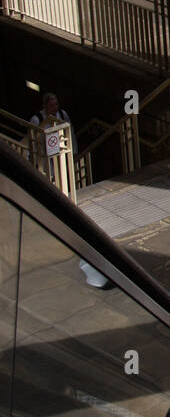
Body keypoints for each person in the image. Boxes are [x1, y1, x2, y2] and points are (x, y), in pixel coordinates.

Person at [31, 91, 113, 291]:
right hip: (47, 161)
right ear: (45, 105)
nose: (55, 107)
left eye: (56, 103)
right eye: (52, 104)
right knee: (50, 181)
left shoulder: (63, 116)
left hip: (62, 157)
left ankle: (64, 199)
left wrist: (75, 152)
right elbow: (32, 141)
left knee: (64, 182)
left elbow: (71, 134)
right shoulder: (37, 119)